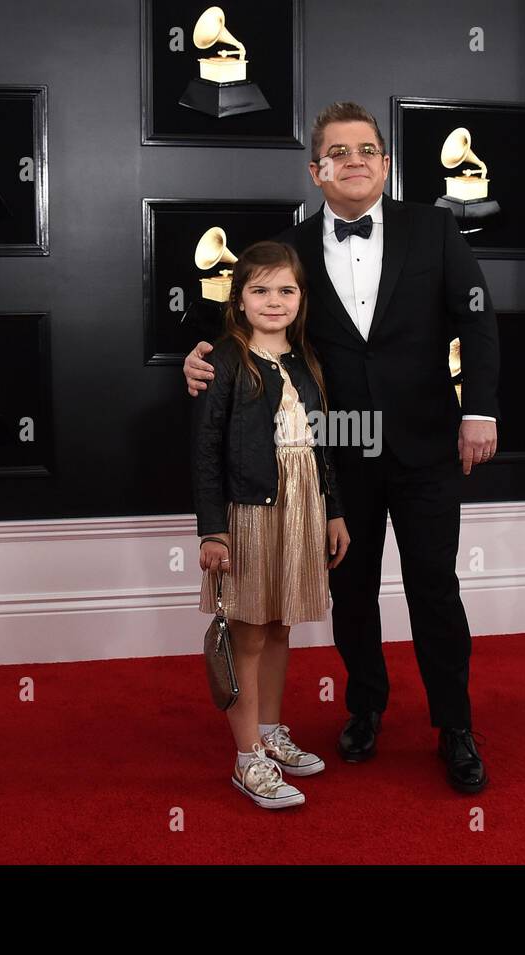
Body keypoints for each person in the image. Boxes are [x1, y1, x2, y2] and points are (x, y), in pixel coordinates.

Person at [185, 102, 499, 793]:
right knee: (351, 593)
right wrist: (199, 358)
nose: (354, 159)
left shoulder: (437, 226)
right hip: (334, 457)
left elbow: (478, 323)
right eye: (339, 151)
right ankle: (365, 709)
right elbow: (251, 322)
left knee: (435, 589)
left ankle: (456, 727)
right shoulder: (290, 246)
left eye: (367, 149)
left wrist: (478, 409)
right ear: (316, 170)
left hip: (426, 445)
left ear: (385, 164)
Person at [192, 239, 351, 810]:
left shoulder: (307, 360)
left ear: (302, 298)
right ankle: (246, 758)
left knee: (281, 624)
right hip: (249, 512)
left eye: (286, 290)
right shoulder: (225, 361)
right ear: (238, 300)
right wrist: (213, 530)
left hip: (304, 507)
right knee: (249, 630)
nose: (275, 300)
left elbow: (322, 442)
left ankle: (271, 733)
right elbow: (207, 450)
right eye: (260, 290)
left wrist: (333, 510)